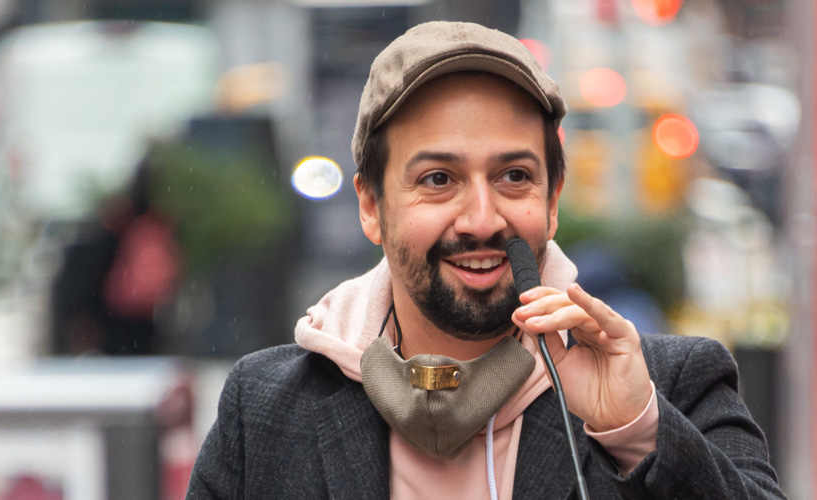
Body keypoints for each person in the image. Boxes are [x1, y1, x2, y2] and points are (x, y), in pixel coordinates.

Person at [186, 21, 784, 499]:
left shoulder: (672, 388)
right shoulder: (265, 410)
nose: (481, 218)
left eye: (514, 176)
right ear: (371, 205)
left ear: (552, 201)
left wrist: (636, 429)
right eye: (439, 178)